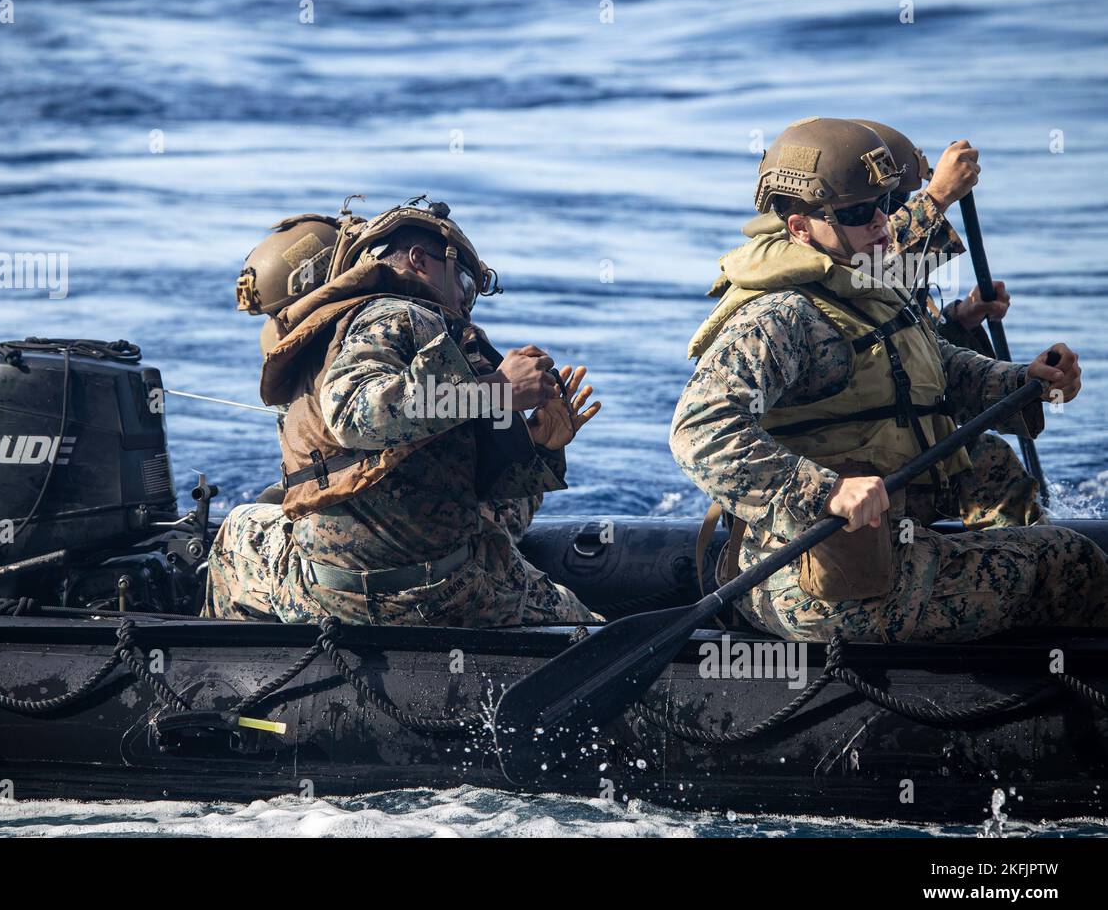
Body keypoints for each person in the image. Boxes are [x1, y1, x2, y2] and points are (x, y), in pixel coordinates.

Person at [671, 116, 1107, 643]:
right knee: (1068, 561)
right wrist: (826, 491)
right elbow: (698, 432)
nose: (881, 222)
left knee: (1001, 476)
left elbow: (936, 366)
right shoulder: (783, 315)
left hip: (886, 532)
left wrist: (1025, 382)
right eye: (858, 212)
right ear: (800, 227)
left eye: (885, 204)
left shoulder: (866, 283)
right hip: (817, 579)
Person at [207, 198, 602, 627]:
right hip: (447, 595)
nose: (467, 305)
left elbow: (485, 502)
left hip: (324, 593)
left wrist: (538, 442)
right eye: (466, 285)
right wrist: (499, 390)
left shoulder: (334, 337)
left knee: (240, 530)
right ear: (420, 261)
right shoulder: (399, 314)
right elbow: (353, 414)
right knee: (594, 632)